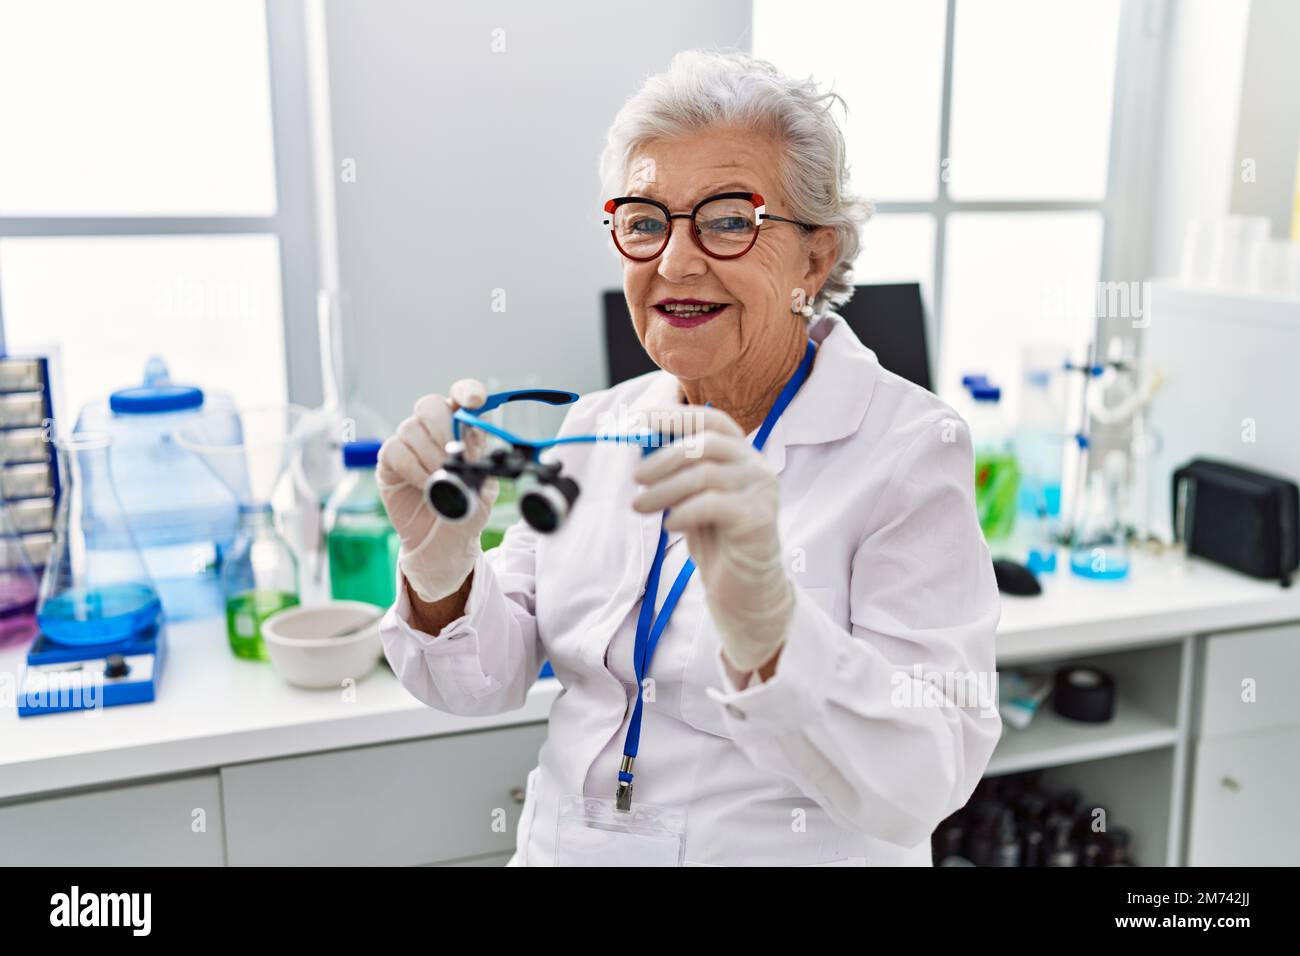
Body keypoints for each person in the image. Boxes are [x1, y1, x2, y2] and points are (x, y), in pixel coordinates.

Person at [378, 50, 1001, 866]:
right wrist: (441, 564)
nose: (674, 261)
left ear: (816, 255)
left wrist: (770, 624)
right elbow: (478, 683)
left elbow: (929, 774)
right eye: (644, 221)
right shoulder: (598, 427)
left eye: (728, 219)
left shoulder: (909, 450)